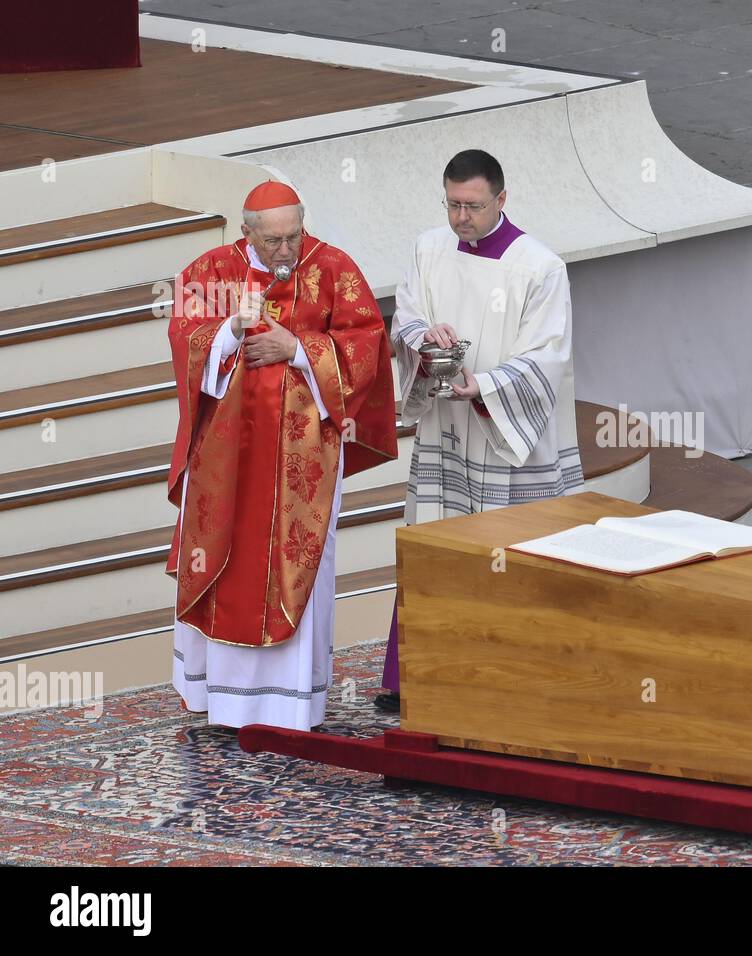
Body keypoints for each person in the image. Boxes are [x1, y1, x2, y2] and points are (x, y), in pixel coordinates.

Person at [166, 180, 398, 731]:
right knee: (225, 564)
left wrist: (295, 348)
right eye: (272, 241)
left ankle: (292, 704)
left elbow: (368, 342)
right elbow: (184, 334)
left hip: (303, 464)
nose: (286, 251)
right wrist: (229, 331)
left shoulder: (333, 268)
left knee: (298, 567)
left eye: (293, 236)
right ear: (245, 232)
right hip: (226, 463)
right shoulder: (212, 270)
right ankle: (221, 701)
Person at [375, 149, 585, 712]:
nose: (460, 217)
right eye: (452, 204)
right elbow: (407, 319)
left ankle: (511, 676)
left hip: (505, 436)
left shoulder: (539, 268)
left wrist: (486, 388)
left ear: (501, 199)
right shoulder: (429, 247)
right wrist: (426, 340)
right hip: (447, 428)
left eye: (472, 205)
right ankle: (416, 675)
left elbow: (548, 357)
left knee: (508, 554)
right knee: (435, 541)